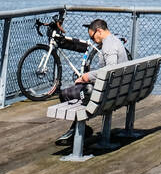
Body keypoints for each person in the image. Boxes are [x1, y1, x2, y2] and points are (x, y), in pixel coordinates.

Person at [55, 18, 129, 146]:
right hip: (120, 91)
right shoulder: (116, 41)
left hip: (108, 94)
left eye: (93, 37)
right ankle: (76, 129)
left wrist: (87, 76)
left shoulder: (108, 46)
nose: (93, 40)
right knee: (81, 89)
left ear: (99, 31)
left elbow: (110, 70)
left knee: (65, 94)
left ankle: (78, 130)